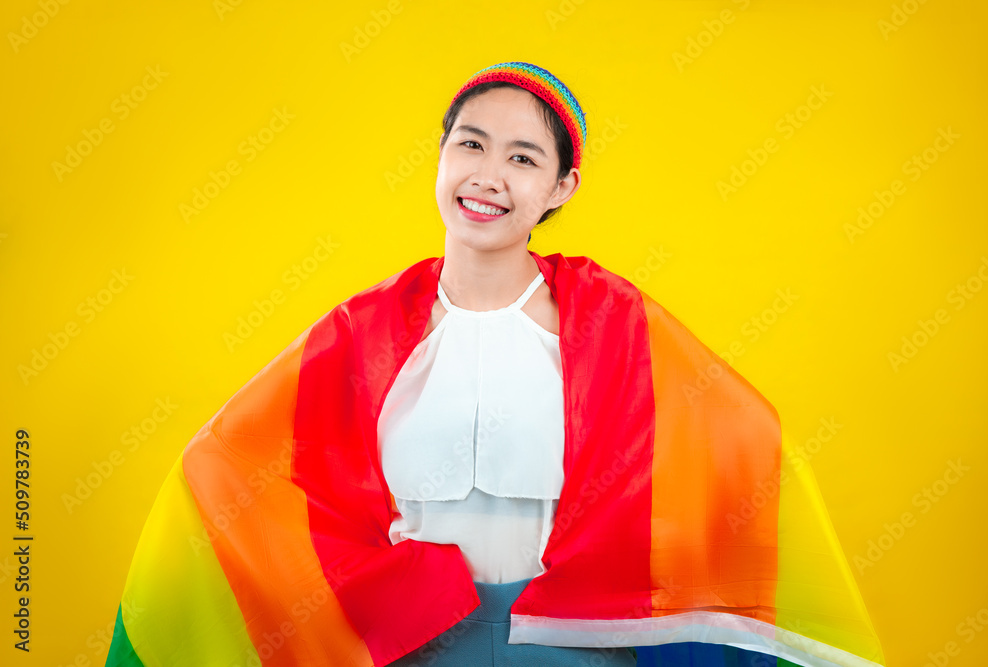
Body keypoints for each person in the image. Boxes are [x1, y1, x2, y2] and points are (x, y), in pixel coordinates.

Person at [105, 63, 885, 667]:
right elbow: (235, 464)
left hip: (575, 643)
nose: (488, 174)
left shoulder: (614, 323)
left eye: (522, 156)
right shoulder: (363, 329)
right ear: (440, 157)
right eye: (470, 143)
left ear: (560, 187)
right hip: (410, 641)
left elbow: (736, 440)